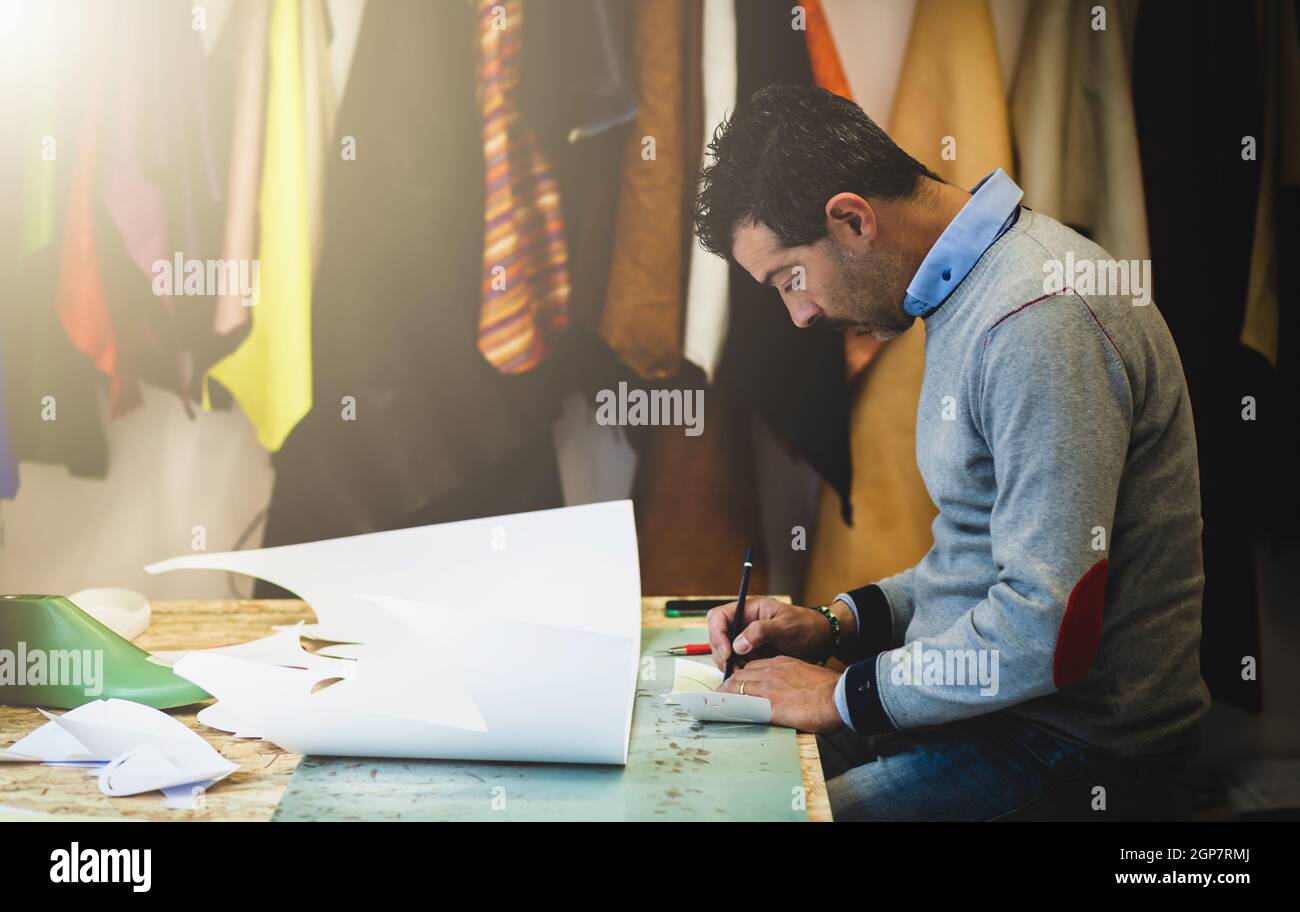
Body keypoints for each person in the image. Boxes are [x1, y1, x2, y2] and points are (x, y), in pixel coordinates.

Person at [693, 85, 1210, 821]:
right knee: (721, 779)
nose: (800, 313)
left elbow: (1046, 630)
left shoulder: (1037, 318)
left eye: (790, 279)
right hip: (996, 717)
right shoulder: (974, 291)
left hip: (1080, 750)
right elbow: (974, 562)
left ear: (851, 219)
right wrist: (834, 625)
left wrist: (841, 695)